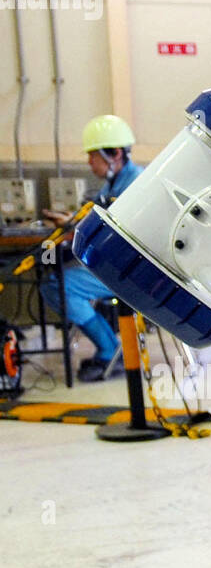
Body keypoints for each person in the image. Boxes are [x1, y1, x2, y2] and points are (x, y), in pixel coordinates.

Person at [40, 115, 142, 382]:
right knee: (55, 283)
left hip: (131, 271)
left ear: (114, 154)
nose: (89, 163)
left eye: (93, 156)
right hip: (116, 264)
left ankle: (110, 351)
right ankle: (110, 347)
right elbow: (94, 215)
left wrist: (71, 230)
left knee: (59, 287)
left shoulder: (134, 184)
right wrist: (70, 223)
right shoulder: (115, 182)